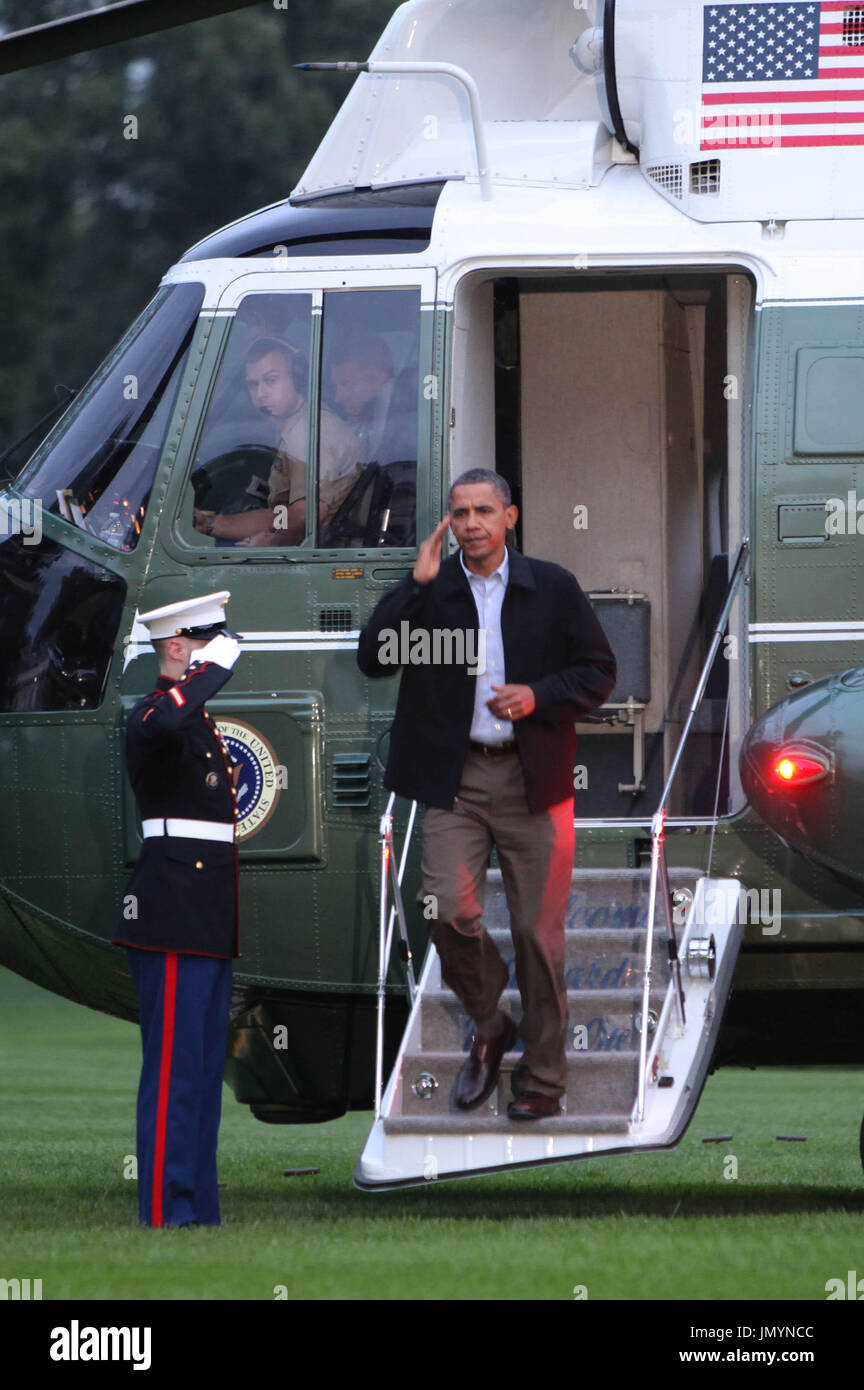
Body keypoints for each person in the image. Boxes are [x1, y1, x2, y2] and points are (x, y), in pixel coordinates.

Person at [357, 471, 616, 1121]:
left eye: (483, 511)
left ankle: (543, 1083)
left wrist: (538, 696)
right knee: (448, 911)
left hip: (535, 780)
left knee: (538, 936)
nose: (471, 523)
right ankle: (489, 1021)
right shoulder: (433, 591)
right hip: (454, 779)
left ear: (509, 517)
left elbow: (599, 672)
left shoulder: (551, 586)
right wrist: (412, 586)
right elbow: (372, 657)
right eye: (460, 513)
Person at [112, 590, 242, 1227]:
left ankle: (199, 1207)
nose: (219, 650)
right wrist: (214, 670)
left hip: (208, 910)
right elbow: (165, 723)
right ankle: (166, 1209)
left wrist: (208, 674)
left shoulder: (194, 719)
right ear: (175, 646)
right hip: (170, 907)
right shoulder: (151, 716)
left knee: (202, 1067)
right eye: (206, 640)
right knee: (172, 1070)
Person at [193, 338, 360, 546]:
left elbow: (305, 514)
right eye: (253, 385)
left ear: (298, 379)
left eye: (271, 380)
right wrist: (210, 523)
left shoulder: (310, 433)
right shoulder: (294, 426)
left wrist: (269, 542)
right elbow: (279, 516)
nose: (261, 393)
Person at [329, 334, 417, 469]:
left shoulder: (412, 425)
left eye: (345, 384)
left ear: (376, 378)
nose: (338, 398)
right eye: (336, 386)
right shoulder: (360, 421)